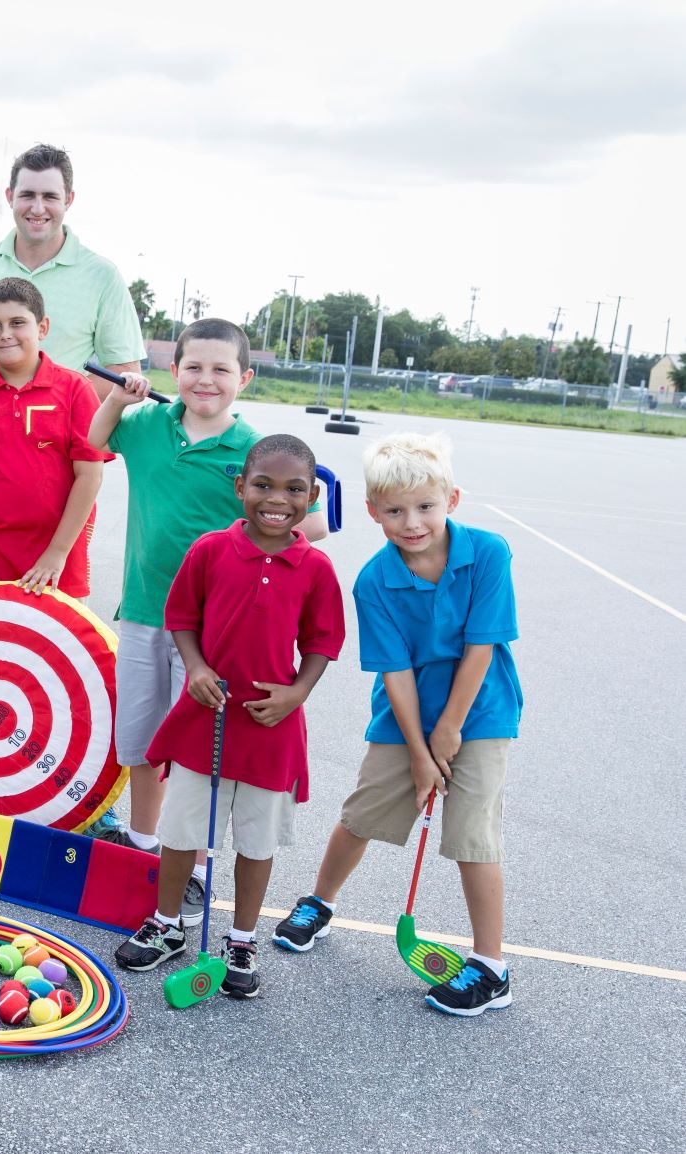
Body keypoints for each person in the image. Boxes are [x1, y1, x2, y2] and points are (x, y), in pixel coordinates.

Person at [87, 318, 328, 920]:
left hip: (210, 633)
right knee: (141, 742)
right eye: (194, 366)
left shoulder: (254, 452)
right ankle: (145, 847)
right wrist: (119, 396)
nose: (206, 379)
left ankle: (193, 870)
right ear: (175, 371)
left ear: (243, 378)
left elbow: (309, 525)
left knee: (197, 756)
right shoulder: (145, 425)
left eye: (221, 369)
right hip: (144, 609)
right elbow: (95, 440)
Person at [274, 433, 522, 1018]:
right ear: (372, 512)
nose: (411, 522)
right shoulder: (373, 581)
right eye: (394, 510)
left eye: (425, 507)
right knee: (361, 816)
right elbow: (398, 672)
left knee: (472, 836)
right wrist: (418, 749)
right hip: (403, 717)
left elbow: (482, 648)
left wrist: (448, 733)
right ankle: (320, 901)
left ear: (451, 500)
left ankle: (491, 967)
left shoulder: (488, 553)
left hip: (480, 715)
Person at [112, 435, 345, 999]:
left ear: (311, 497)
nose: (276, 499)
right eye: (263, 485)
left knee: (256, 842)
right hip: (205, 719)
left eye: (294, 490)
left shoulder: (315, 567)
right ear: (240, 487)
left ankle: (241, 940)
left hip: (271, 726)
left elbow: (322, 641)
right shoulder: (210, 550)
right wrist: (193, 668)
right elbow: (182, 617)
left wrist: (297, 693)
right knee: (183, 832)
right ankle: (168, 924)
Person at [0, 143, 145, 608]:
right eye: (27, 196)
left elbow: (125, 375)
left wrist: (48, 395)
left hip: (54, 454)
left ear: (69, 201)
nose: (37, 208)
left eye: (49, 196)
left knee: (50, 594)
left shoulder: (101, 275)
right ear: (10, 197)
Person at [0, 276, 106, 599]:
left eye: (17, 323)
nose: (6, 334)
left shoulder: (75, 391)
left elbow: (90, 475)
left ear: (42, 328)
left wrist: (57, 552)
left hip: (57, 567)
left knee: (57, 648)